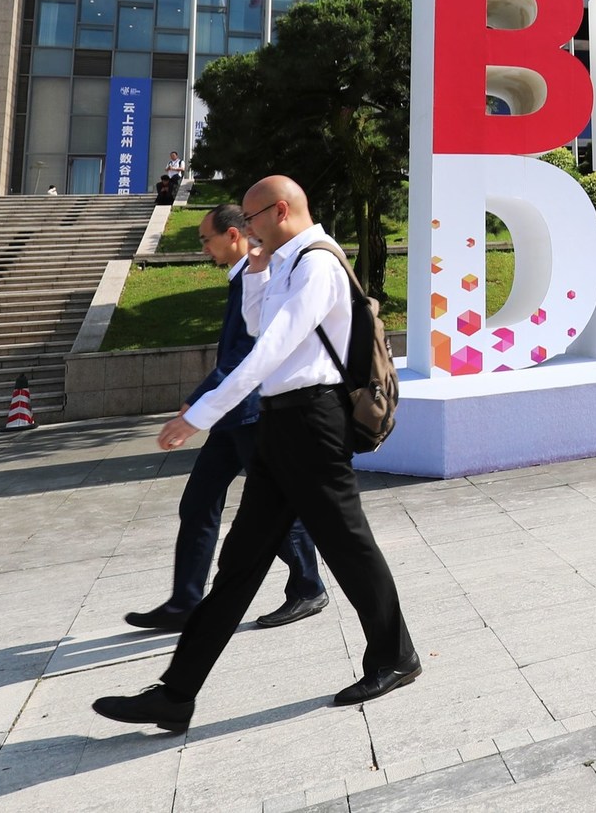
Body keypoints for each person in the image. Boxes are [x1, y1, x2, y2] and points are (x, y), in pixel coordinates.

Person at [94, 176, 420, 733]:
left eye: (252, 219)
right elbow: (253, 328)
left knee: (349, 546)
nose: (245, 229)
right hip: (281, 422)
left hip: (314, 421)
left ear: (282, 210)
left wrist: (198, 415)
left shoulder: (318, 263)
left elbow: (272, 349)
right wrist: (257, 269)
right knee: (241, 560)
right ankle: (176, 695)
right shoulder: (283, 261)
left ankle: (395, 657)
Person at [123, 206, 329, 635]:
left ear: (233, 235)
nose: (202, 248)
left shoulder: (260, 279)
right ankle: (184, 603)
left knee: (270, 509)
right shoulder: (243, 277)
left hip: (251, 413)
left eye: (206, 239)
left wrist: (194, 405)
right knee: (198, 503)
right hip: (230, 415)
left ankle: (308, 586)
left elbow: (245, 355)